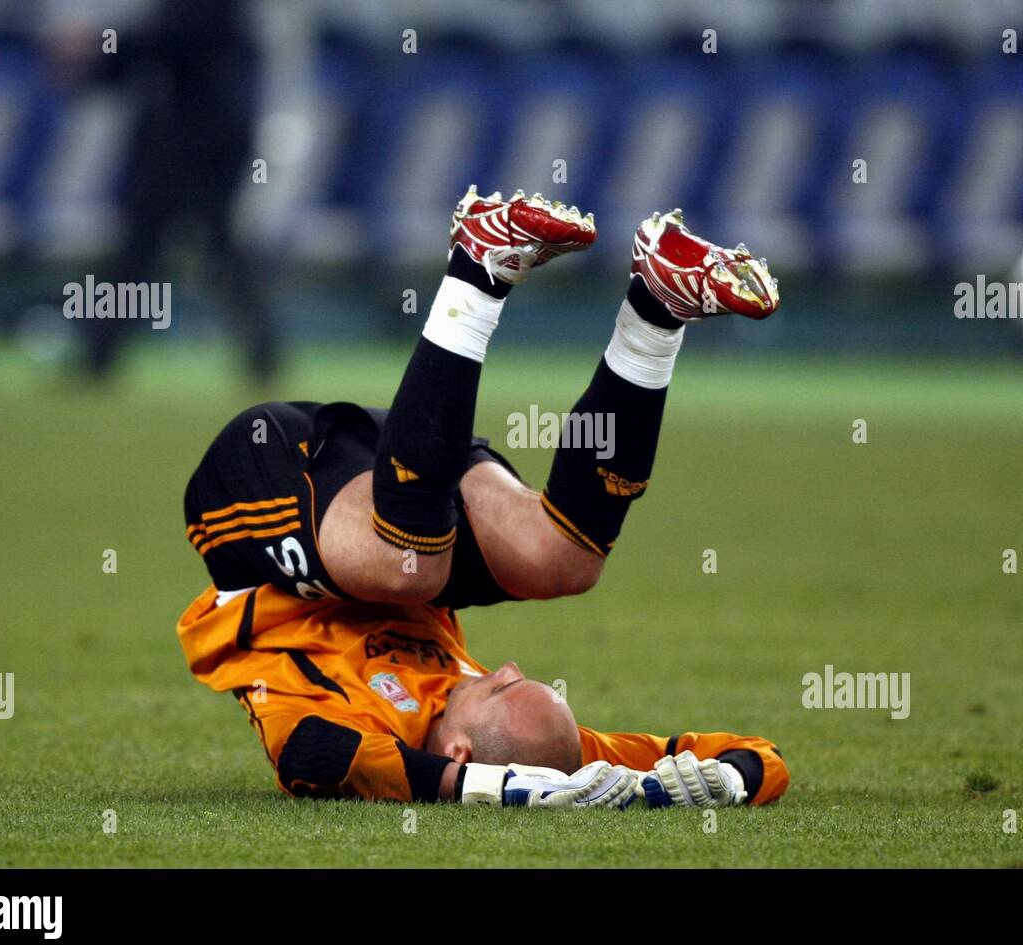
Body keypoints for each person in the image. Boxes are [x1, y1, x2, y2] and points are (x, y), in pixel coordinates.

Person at [176, 186, 788, 808]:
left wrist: (501, 791)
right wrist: (705, 784)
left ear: (459, 752)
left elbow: (314, 761)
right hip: (413, 471)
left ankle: (476, 272)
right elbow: (759, 756)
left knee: (408, 567)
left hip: (263, 479)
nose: (507, 668)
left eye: (501, 689)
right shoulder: (547, 754)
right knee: (566, 562)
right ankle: (657, 309)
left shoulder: (354, 727)